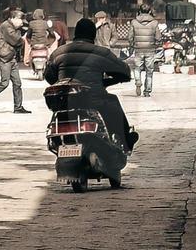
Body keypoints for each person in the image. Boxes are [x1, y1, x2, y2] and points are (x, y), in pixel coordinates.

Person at [43, 14, 137, 161]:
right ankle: (126, 141)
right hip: (94, 99)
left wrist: (64, 83)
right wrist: (109, 81)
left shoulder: (58, 52)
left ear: (75, 34)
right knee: (113, 101)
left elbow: (49, 76)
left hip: (64, 101)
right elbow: (124, 72)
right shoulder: (101, 52)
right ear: (93, 35)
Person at [0, 13, 30, 114]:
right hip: (4, 58)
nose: (21, 23)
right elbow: (16, 40)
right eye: (20, 20)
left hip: (11, 57)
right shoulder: (6, 26)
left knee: (17, 83)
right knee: (4, 83)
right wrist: (22, 38)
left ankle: (18, 107)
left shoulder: (13, 27)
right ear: (13, 18)